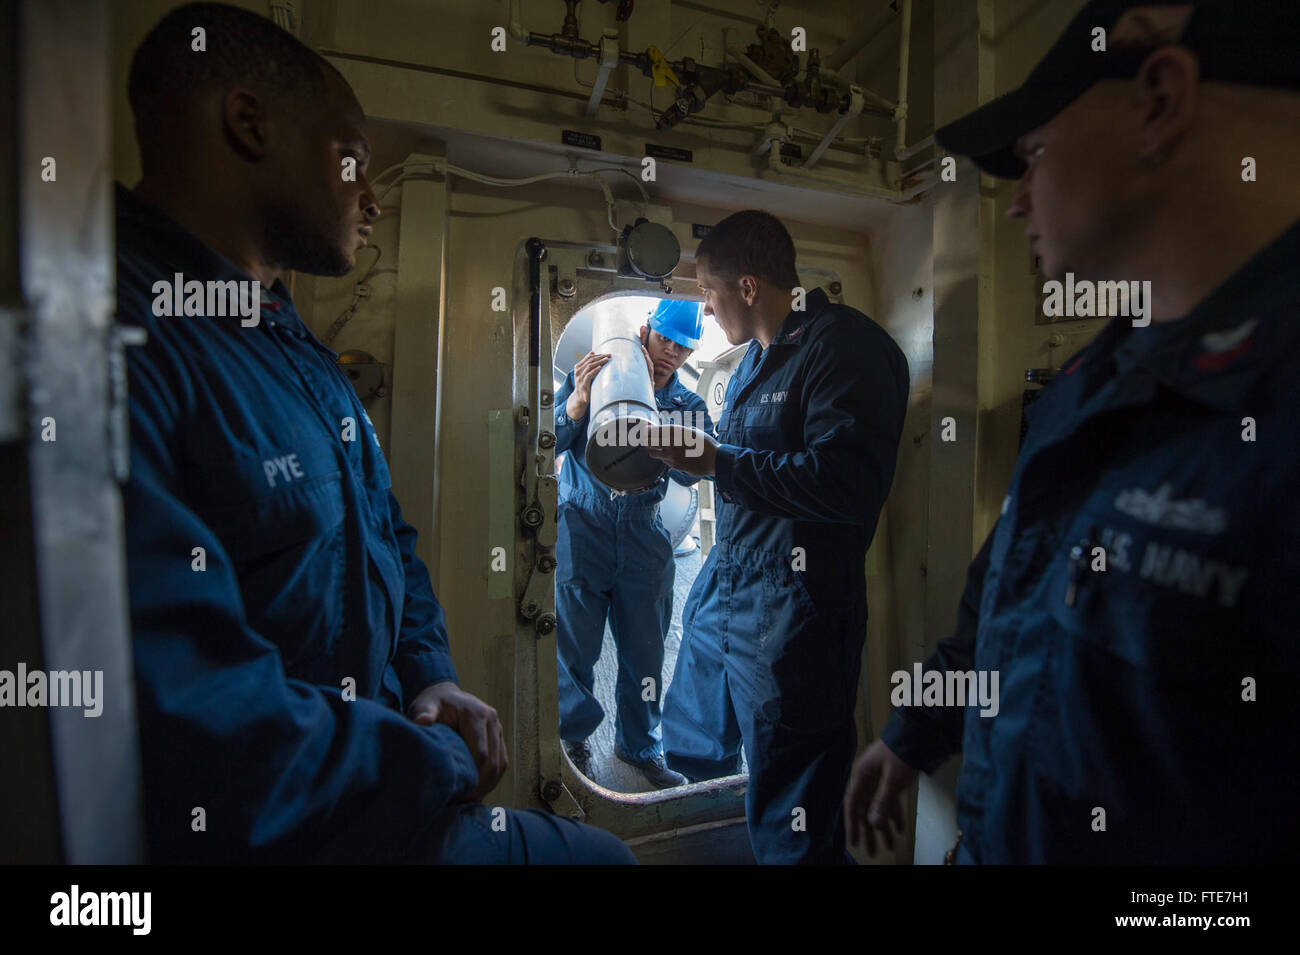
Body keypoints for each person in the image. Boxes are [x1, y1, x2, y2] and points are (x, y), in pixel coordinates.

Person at [118, 2, 633, 864]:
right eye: (351, 156)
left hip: (382, 777)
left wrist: (431, 673)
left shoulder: (294, 348)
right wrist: (432, 757)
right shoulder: (130, 335)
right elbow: (190, 712)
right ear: (249, 125)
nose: (371, 196)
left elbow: (386, 533)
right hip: (296, 827)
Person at [845, 0, 1300, 863]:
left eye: (1034, 155)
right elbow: (1003, 607)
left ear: (1159, 99)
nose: (1017, 204)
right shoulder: (1096, 380)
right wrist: (913, 732)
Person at [649, 211, 910, 863]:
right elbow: (749, 470)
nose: (703, 312)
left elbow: (846, 484)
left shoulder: (844, 347)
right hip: (728, 585)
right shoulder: (751, 365)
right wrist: (695, 454)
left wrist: (717, 462)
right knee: (691, 742)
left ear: (745, 286)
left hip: (797, 609)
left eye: (707, 292)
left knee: (794, 813)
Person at [553, 300, 714, 789]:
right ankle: (574, 739)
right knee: (575, 647)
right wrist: (576, 405)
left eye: (684, 348)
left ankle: (640, 746)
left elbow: (694, 478)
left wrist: (663, 428)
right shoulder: (595, 376)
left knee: (646, 650)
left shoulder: (687, 405)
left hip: (644, 535)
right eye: (666, 340)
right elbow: (549, 441)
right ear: (646, 331)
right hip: (583, 525)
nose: (672, 354)